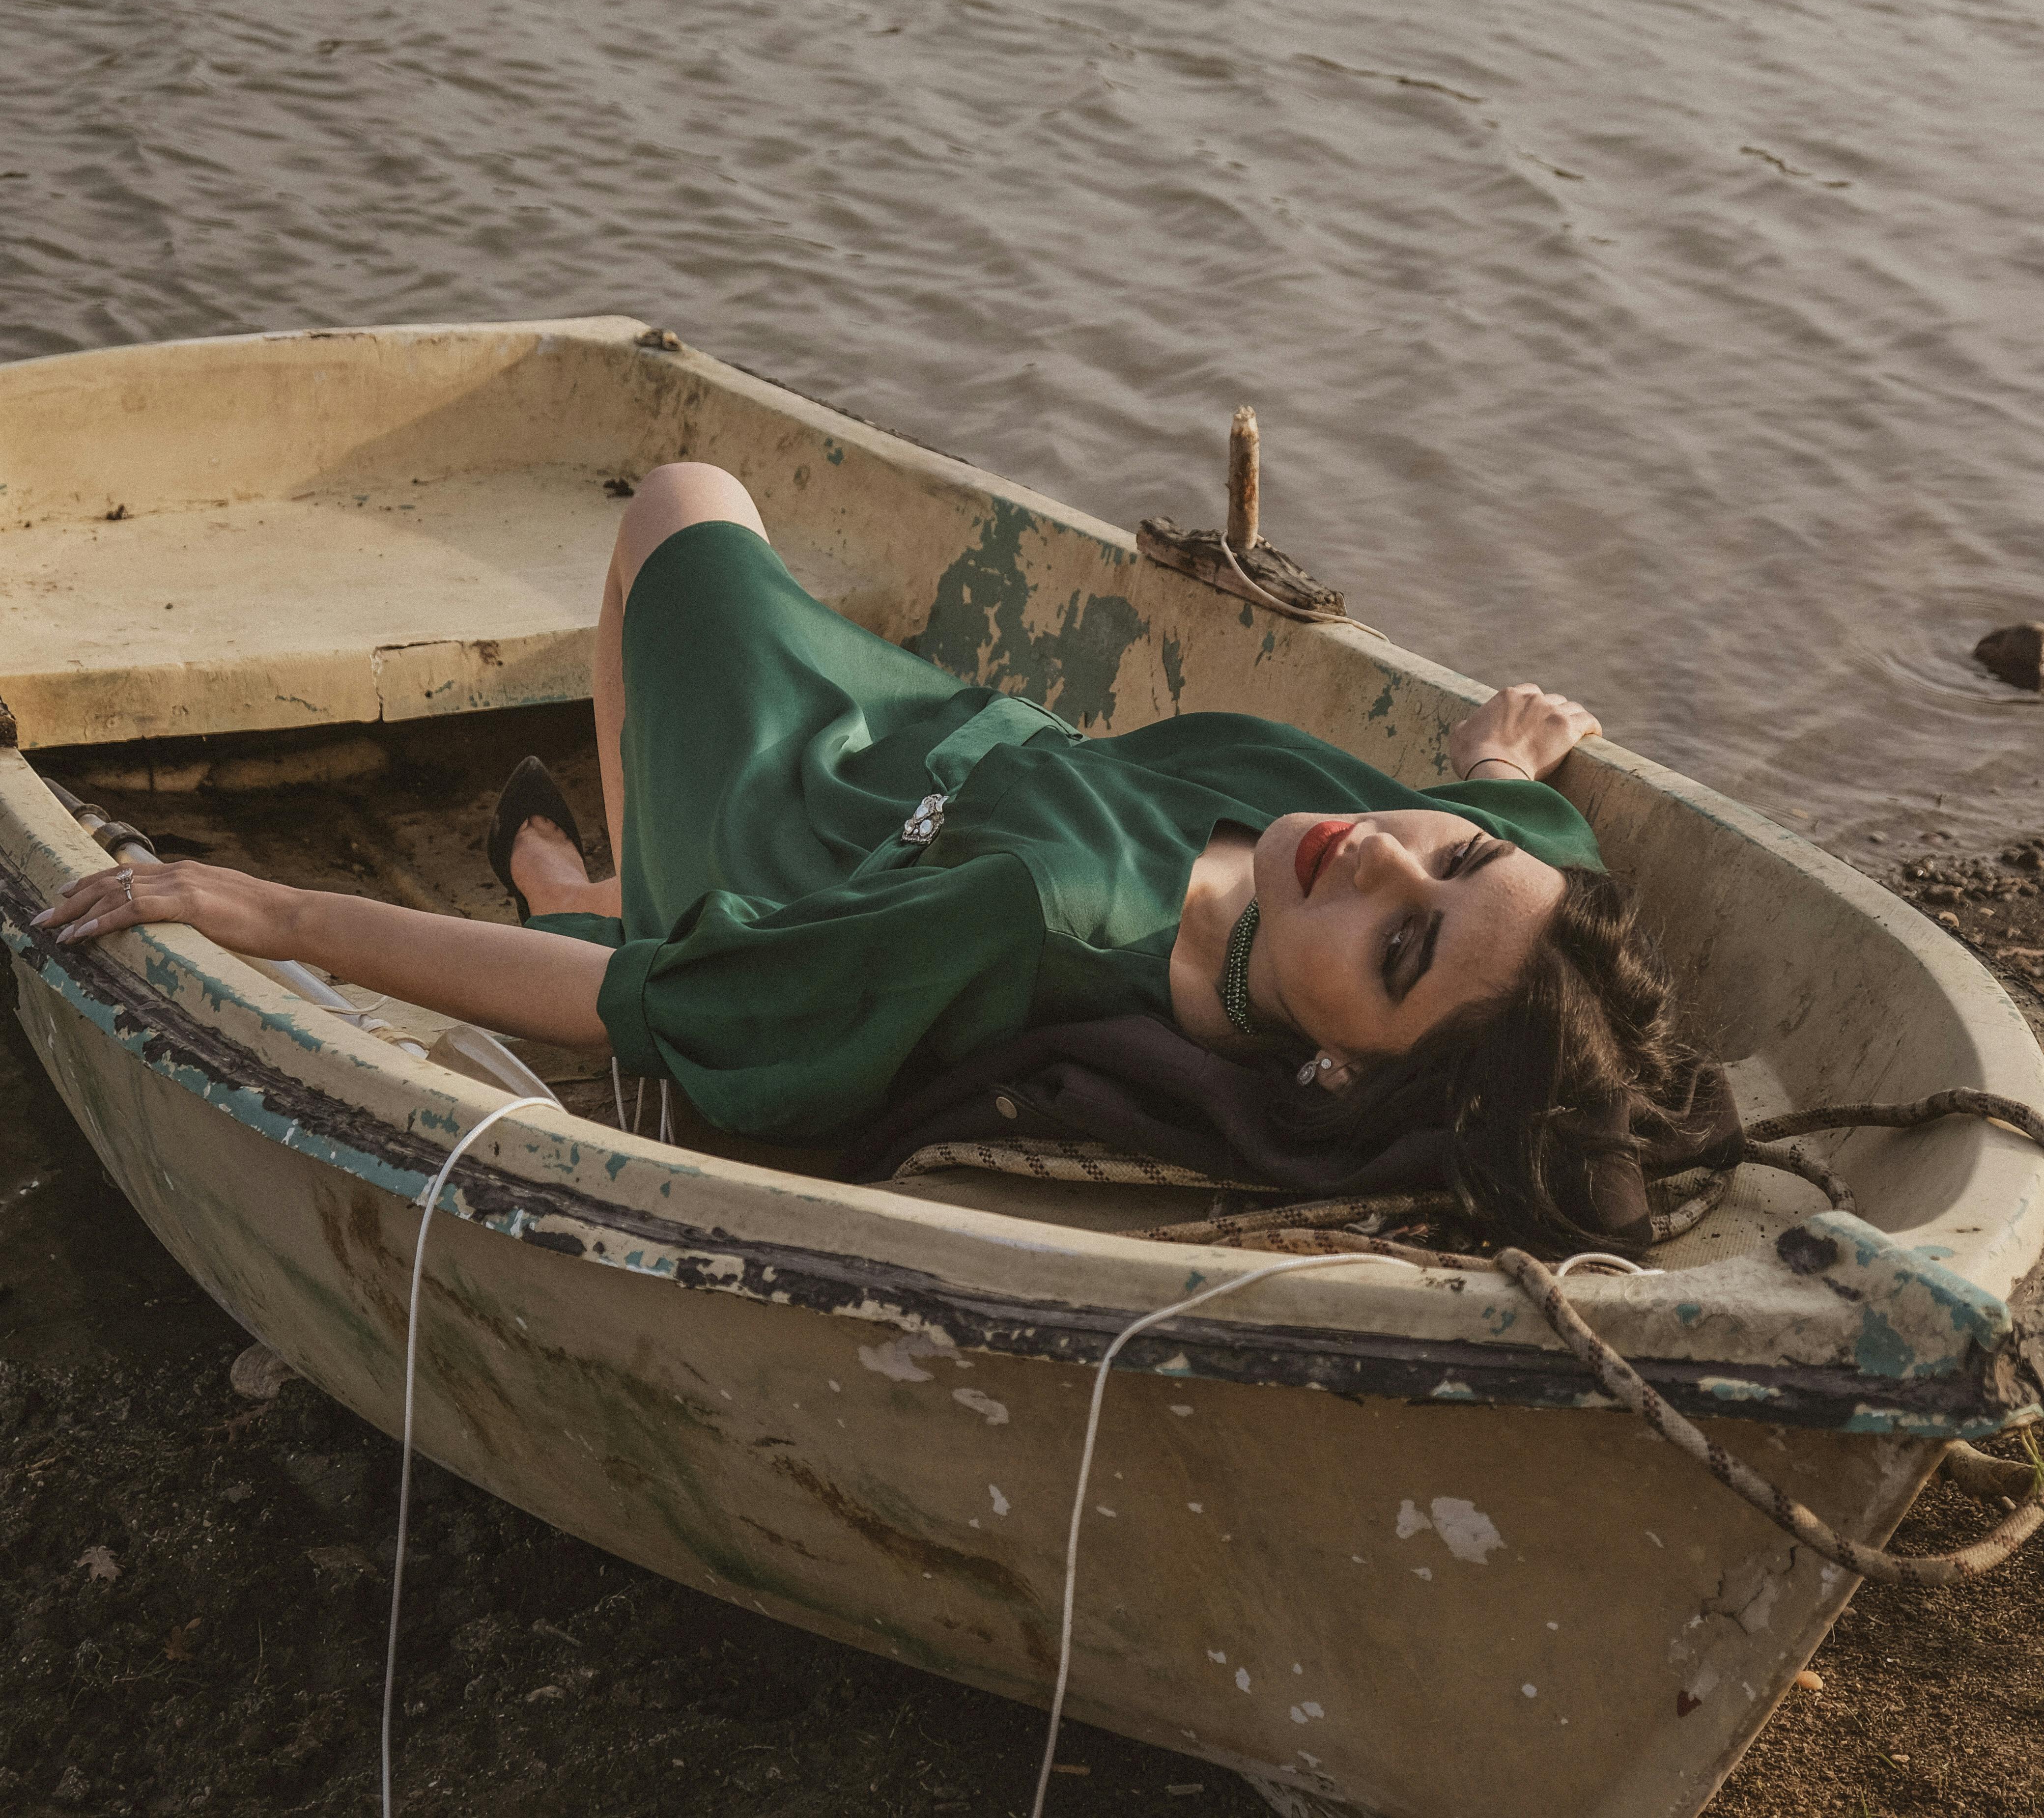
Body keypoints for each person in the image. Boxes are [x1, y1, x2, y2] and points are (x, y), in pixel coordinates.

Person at [36, 462, 1715, 1244]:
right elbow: (1535, 869)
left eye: (1407, 947)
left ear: (1348, 1081)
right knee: (694, 508)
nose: (1388, 866)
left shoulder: (1024, 924)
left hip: (821, 827)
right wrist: (1495, 772)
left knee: (677, 508)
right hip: (940, 732)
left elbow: (642, 1015)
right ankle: (612, 870)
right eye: (1458, 856)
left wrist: (276, 910)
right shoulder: (1361, 856)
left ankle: (624, 874)